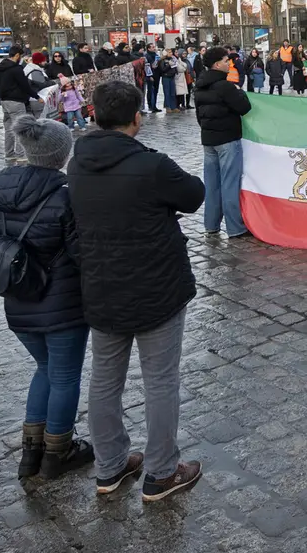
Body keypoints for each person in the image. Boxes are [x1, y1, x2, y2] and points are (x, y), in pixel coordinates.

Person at [66, 79, 207, 501]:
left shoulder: (77, 161)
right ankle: (162, 472)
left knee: (105, 379)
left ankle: (109, 467)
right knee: (161, 380)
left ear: (93, 115)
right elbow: (193, 195)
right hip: (155, 288)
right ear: (136, 118)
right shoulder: (151, 164)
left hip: (101, 285)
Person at [0, 116, 93, 479]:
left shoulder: (1, 184)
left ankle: (31, 453)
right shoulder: (67, 194)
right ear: (62, 154)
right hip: (61, 301)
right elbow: (81, 253)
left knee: (45, 369)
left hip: (18, 294)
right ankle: (57, 453)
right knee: (64, 376)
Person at [194, 46, 252, 239]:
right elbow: (244, 107)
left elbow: (199, 116)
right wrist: (239, 91)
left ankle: (211, 224)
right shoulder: (226, 86)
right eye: (227, 61)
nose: (230, 63)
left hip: (208, 140)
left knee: (212, 184)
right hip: (227, 139)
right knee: (230, 183)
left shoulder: (199, 86)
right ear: (218, 64)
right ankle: (236, 227)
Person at [0, 46, 40, 165]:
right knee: (20, 129)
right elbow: (25, 86)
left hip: (4, 101)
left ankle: (9, 154)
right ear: (17, 56)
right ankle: (21, 155)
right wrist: (37, 96)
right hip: (16, 102)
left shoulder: (0, 67)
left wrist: (3, 90)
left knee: (8, 129)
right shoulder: (17, 69)